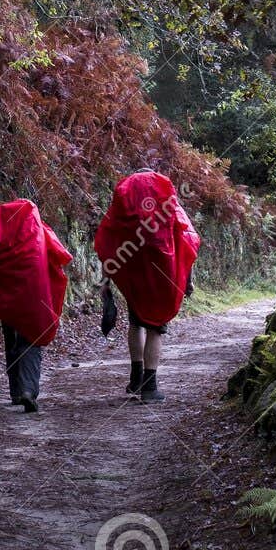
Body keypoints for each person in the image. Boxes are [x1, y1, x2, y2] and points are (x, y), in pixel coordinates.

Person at [94, 170, 200, 404]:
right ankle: (149, 387)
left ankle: (136, 378)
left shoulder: (122, 211)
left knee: (136, 322)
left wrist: (106, 282)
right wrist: (188, 280)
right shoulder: (170, 207)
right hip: (164, 277)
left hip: (134, 277)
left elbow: (107, 241)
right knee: (154, 327)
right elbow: (187, 244)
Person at [0, 199, 72, 413]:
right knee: (31, 337)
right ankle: (27, 389)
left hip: (6, 298)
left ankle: (15, 391)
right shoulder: (39, 233)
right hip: (33, 296)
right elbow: (59, 255)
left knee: (11, 338)